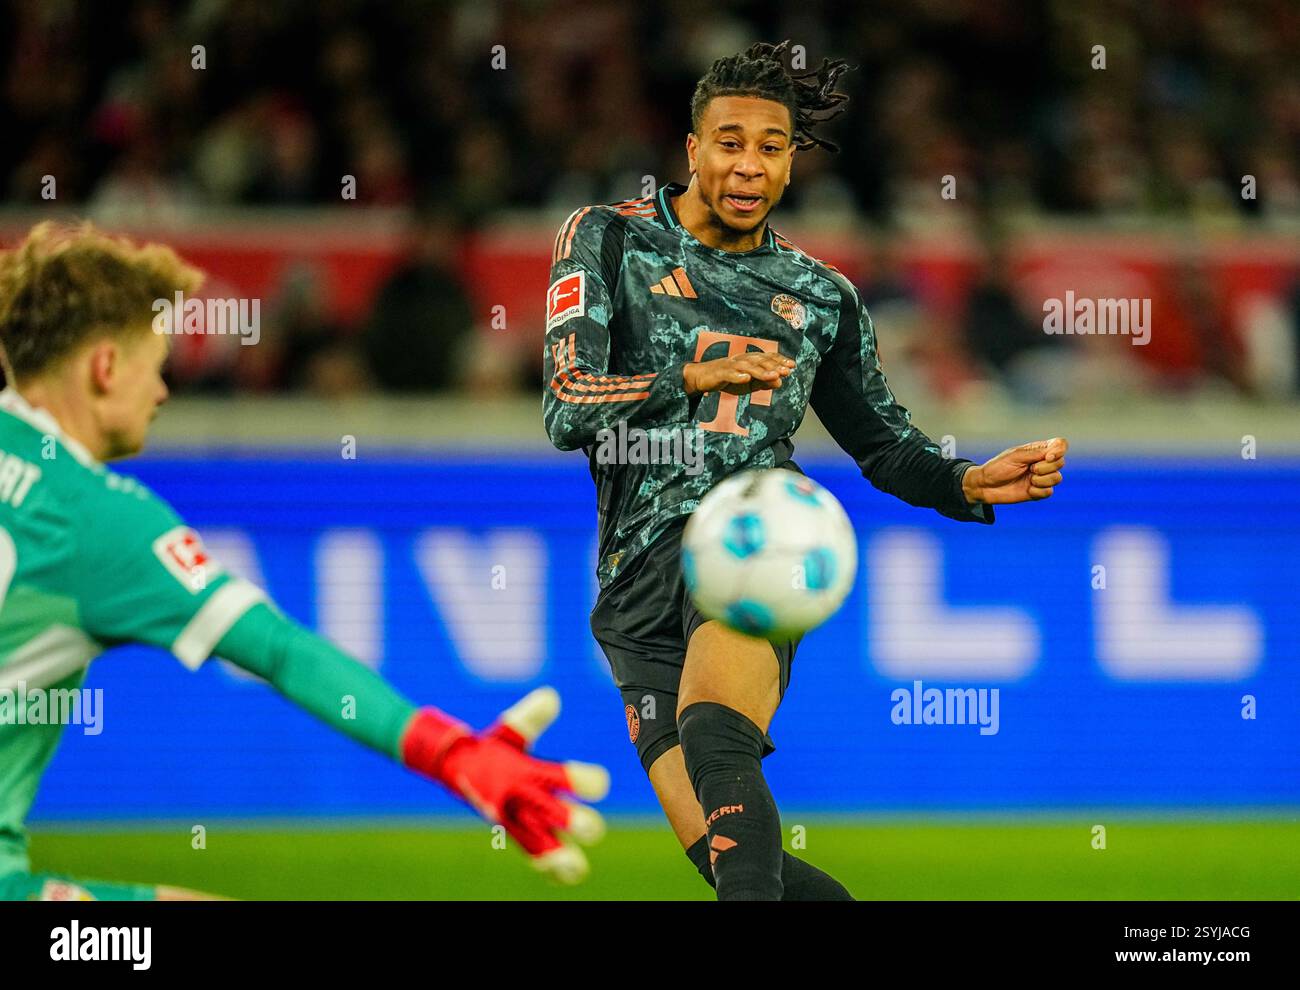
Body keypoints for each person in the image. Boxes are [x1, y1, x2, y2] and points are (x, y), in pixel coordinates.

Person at [542, 41, 1068, 901]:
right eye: (730, 141)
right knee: (742, 865)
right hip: (632, 585)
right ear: (692, 151)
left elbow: (885, 446)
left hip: (755, 543)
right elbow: (568, 406)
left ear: (792, 162)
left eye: (771, 146)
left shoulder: (820, 295)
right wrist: (687, 375)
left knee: (717, 736)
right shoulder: (608, 239)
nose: (748, 164)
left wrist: (966, 481)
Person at [0, 221, 606, 901]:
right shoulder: (100, 515)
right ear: (106, 367)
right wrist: (454, 753)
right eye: (155, 366)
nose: (164, 393)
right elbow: (281, 651)